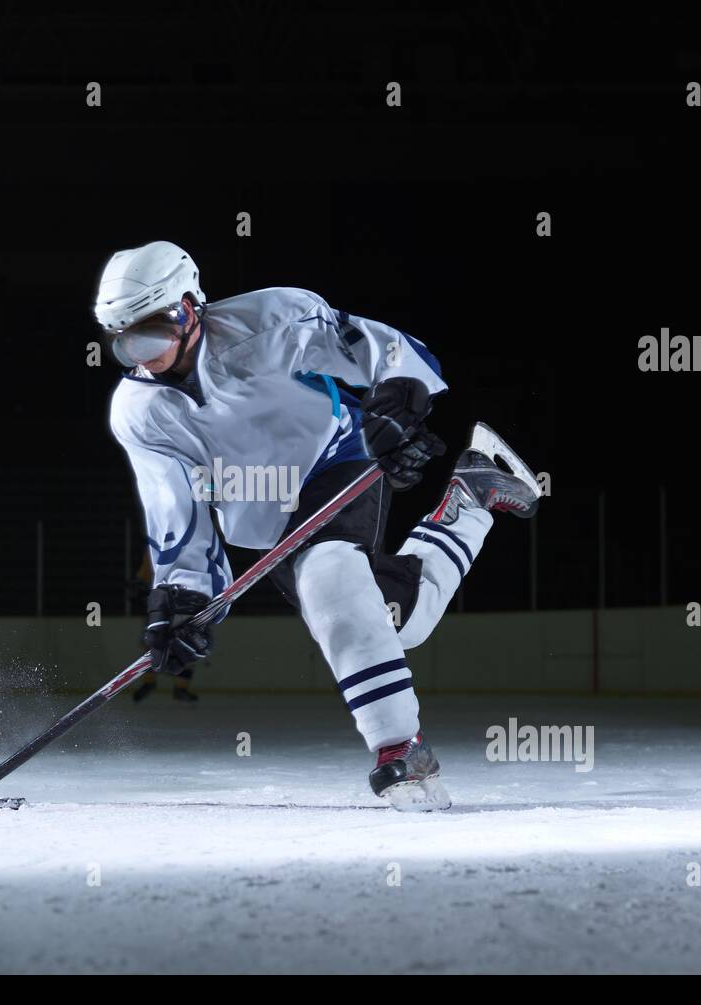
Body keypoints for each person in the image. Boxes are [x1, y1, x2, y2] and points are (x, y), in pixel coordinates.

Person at [95, 241, 539, 810]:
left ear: (188, 306)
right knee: (392, 623)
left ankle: (400, 750)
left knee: (330, 575)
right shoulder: (137, 413)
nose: (143, 354)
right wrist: (181, 599)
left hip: (336, 458)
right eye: (125, 340)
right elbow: (174, 512)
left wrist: (398, 402)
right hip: (262, 513)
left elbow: (388, 352)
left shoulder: (272, 318)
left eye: (153, 331)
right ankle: (469, 502)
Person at [128, 548, 199, 703]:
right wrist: (139, 582)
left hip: (179, 598)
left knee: (185, 643)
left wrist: (139, 582)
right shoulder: (157, 546)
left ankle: (179, 687)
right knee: (154, 642)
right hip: (165, 598)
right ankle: (150, 682)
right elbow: (146, 566)